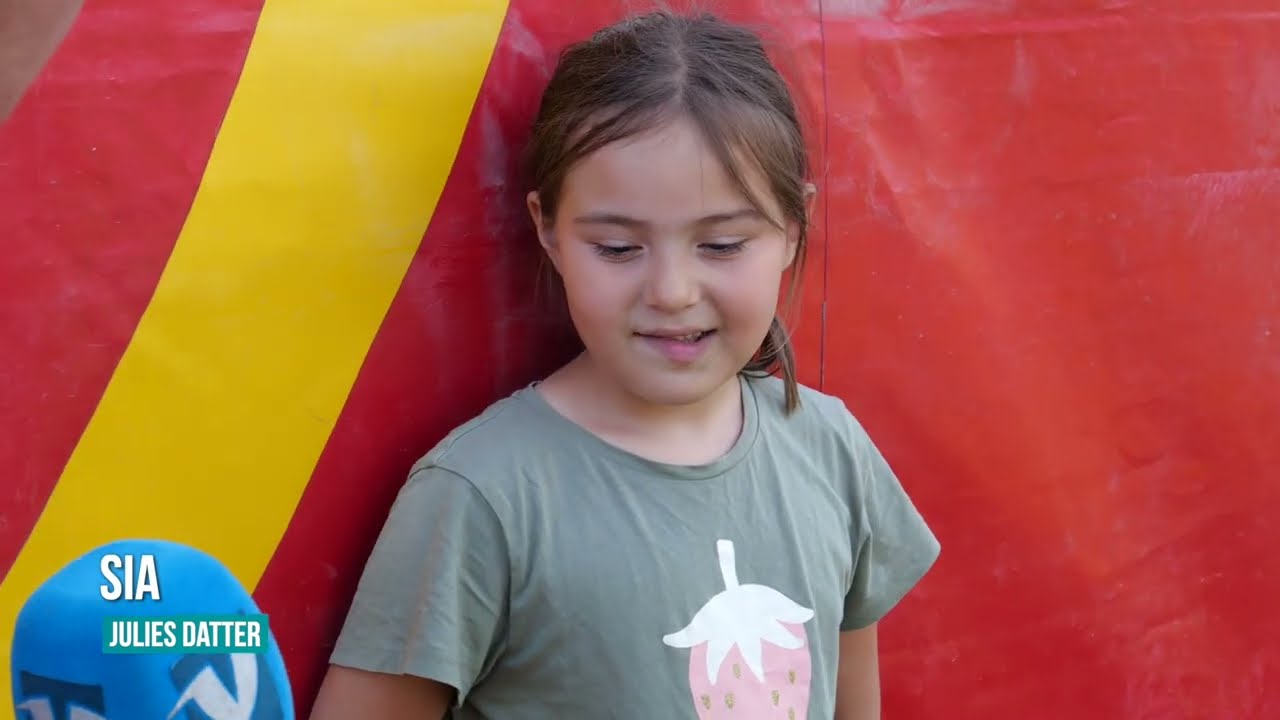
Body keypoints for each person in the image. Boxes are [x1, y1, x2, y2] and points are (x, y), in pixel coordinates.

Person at [309, 9, 939, 720]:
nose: (671, 291)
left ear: (793, 229)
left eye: (722, 245)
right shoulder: (480, 496)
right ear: (548, 228)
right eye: (617, 248)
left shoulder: (833, 450)